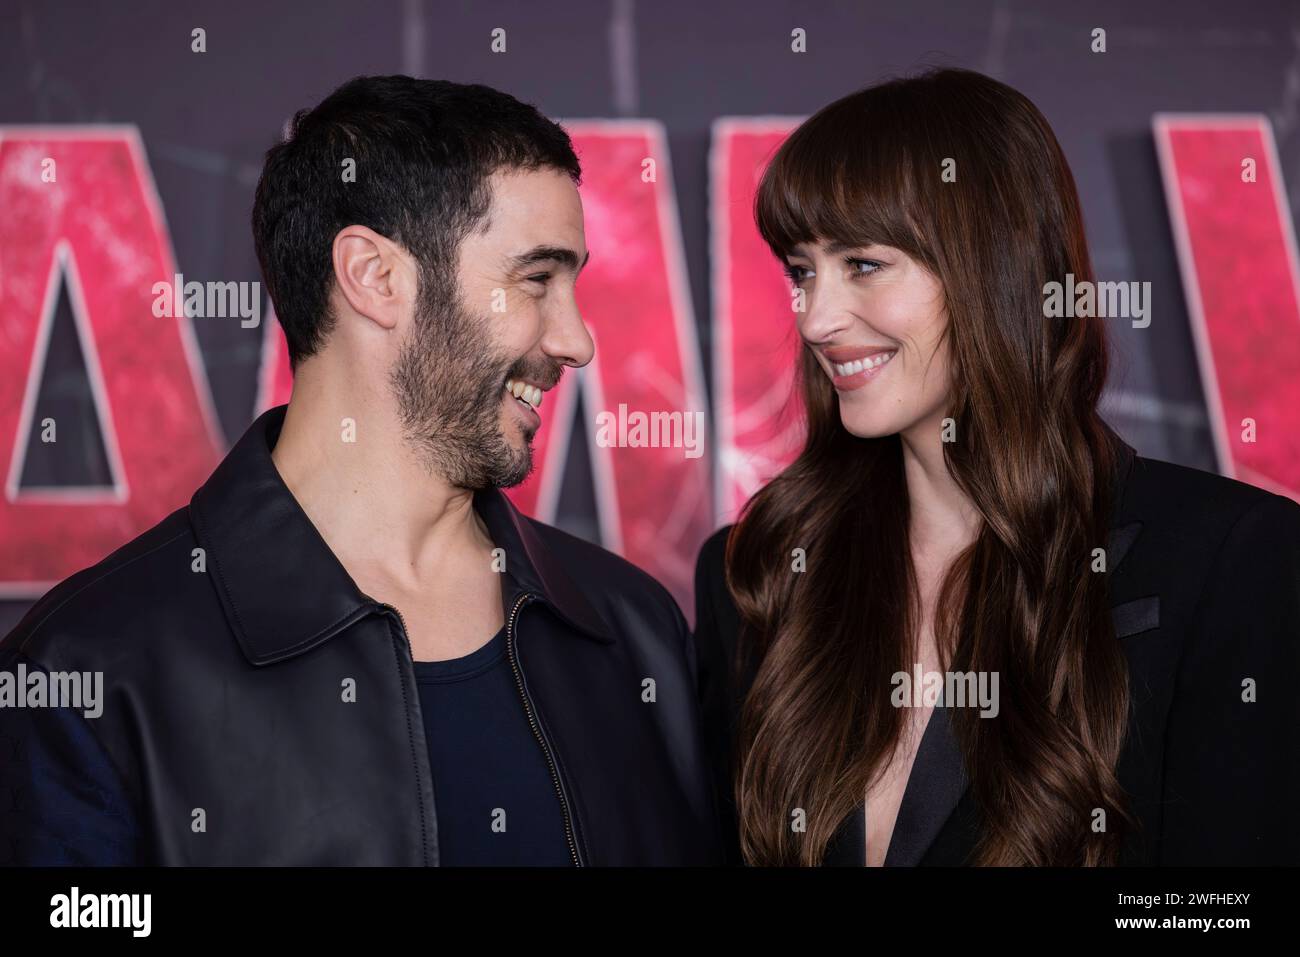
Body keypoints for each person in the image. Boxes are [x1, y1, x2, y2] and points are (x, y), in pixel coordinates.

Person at [0, 75, 721, 866]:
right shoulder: (90, 668)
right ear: (375, 277)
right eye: (536, 279)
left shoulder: (635, 633)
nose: (577, 340)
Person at [693, 67, 1300, 867]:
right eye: (801, 271)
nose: (817, 318)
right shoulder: (762, 571)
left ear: (995, 268)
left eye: (863, 264)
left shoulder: (1233, 558)